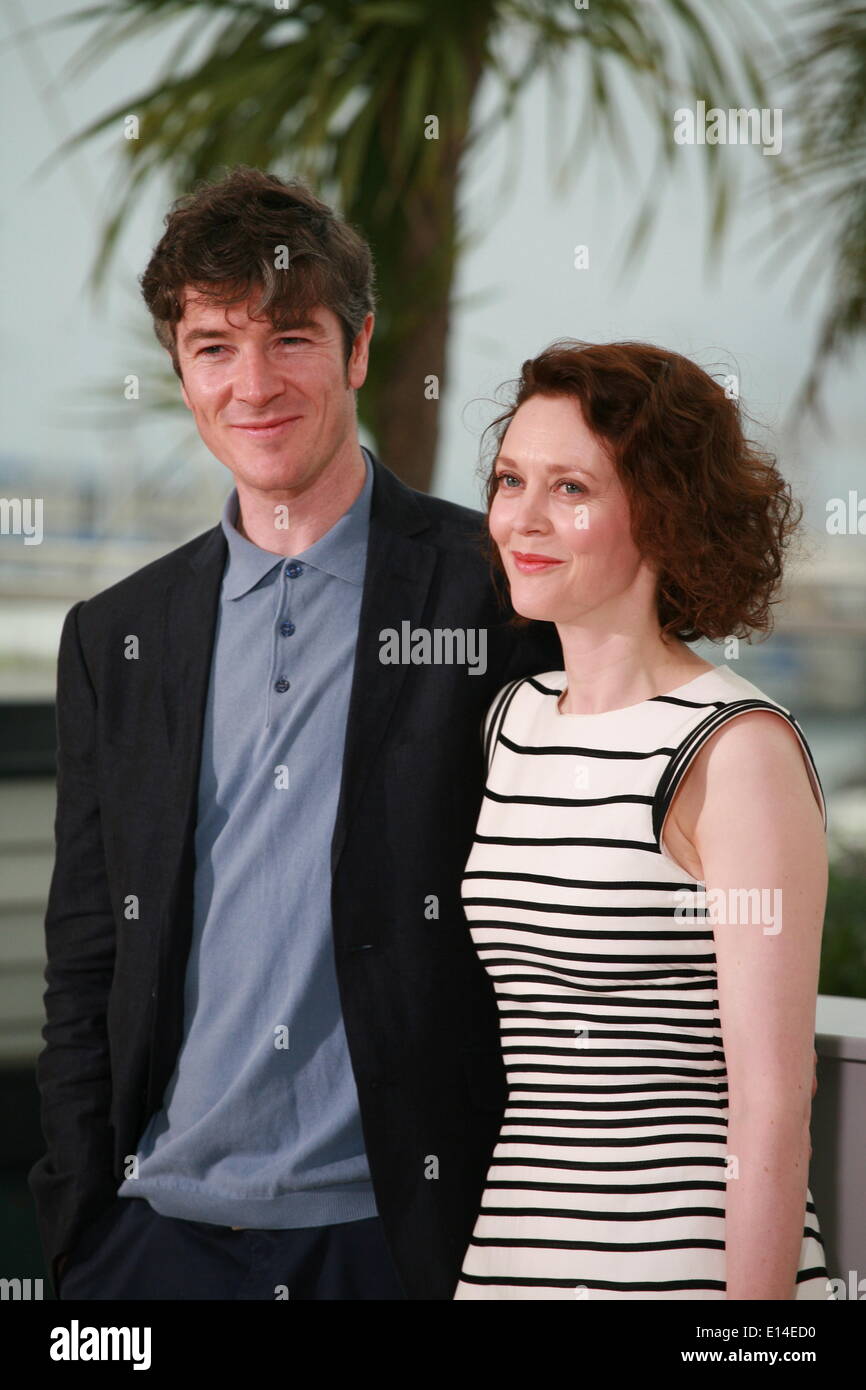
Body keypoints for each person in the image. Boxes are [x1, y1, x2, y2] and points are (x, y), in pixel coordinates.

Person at [28, 166, 561, 1300]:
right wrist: (77, 1231)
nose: (253, 383)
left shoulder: (494, 595)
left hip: (397, 1235)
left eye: (289, 338)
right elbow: (85, 956)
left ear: (358, 349)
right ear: (180, 371)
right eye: (214, 346)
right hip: (151, 1242)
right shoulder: (115, 636)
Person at [453, 340, 833, 1300]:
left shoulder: (734, 749)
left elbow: (773, 1105)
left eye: (571, 488)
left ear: (665, 514)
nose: (522, 520)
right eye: (510, 480)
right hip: (508, 1263)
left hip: (680, 1276)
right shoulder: (513, 721)